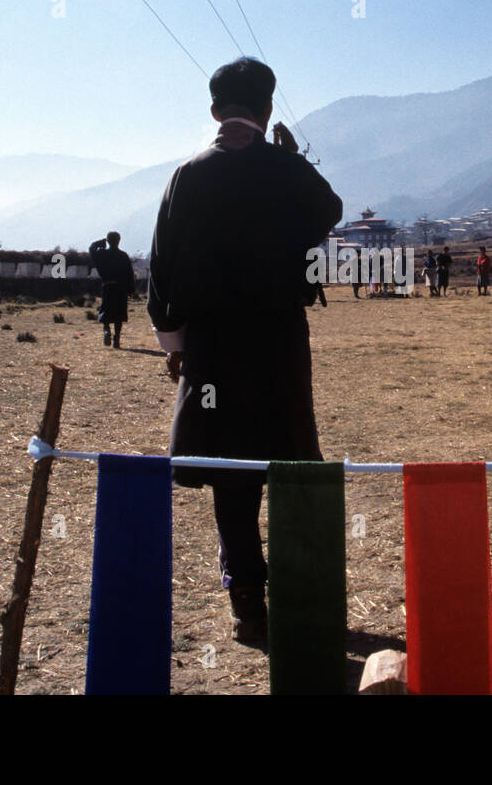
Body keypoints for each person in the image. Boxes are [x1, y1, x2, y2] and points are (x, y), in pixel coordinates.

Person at [147, 58, 342, 644]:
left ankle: (246, 602)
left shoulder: (186, 175)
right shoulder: (286, 170)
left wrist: (174, 341)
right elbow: (328, 210)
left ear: (214, 111)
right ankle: (298, 593)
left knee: (231, 471)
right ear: (268, 110)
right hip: (280, 343)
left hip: (212, 348)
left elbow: (161, 268)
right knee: (287, 464)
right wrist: (294, 160)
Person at [88, 231, 136, 348]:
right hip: (121, 288)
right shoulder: (123, 256)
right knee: (119, 314)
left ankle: (106, 330)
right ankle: (117, 339)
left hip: (108, 287)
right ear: (119, 241)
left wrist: (100, 242)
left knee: (106, 311)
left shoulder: (102, 255)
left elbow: (91, 248)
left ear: (108, 241)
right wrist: (130, 290)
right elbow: (129, 274)